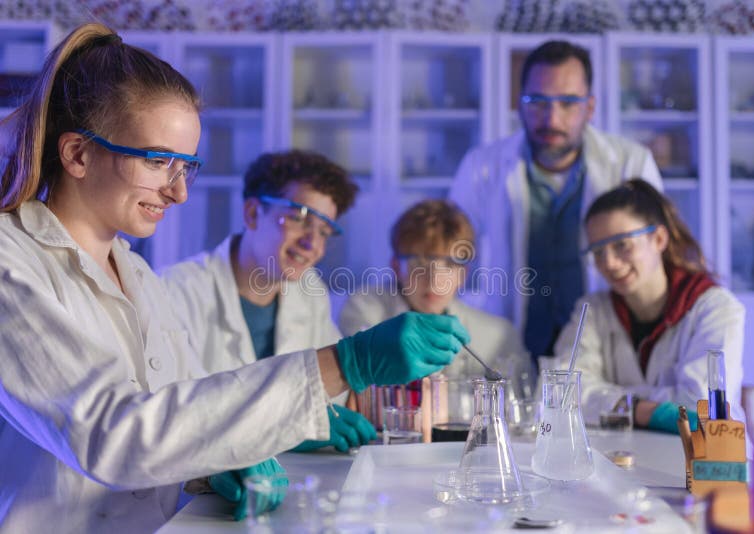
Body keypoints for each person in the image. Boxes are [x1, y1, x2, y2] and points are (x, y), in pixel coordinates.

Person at [0, 23, 469, 533]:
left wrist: (216, 462)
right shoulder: (11, 264)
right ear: (78, 154)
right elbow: (115, 437)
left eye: (187, 167)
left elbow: (180, 420)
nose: (178, 193)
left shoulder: (135, 273)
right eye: (159, 161)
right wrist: (344, 363)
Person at [449, 39, 663, 363]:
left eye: (568, 102)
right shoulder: (482, 168)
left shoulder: (630, 164)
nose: (551, 118)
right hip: (507, 348)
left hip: (605, 351)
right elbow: (451, 260)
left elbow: (653, 265)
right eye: (537, 101)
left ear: (590, 107)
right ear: (518, 104)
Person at [161, 149, 376, 453]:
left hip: (294, 479)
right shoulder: (175, 292)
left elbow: (333, 398)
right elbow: (172, 420)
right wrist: (286, 427)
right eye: (299, 218)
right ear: (251, 213)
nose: (312, 244)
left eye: (324, 231)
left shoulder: (309, 291)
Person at [552, 179, 745, 433]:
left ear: (659, 239)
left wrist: (615, 402)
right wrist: (644, 409)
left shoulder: (716, 308)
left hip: (707, 463)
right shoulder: (593, 310)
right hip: (627, 458)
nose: (609, 263)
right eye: (598, 252)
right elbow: (560, 392)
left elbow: (702, 404)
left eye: (622, 245)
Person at [339, 200, 532, 399]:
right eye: (419, 263)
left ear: (463, 274)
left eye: (449, 265)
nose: (435, 280)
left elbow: (520, 412)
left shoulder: (498, 336)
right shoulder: (365, 312)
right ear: (396, 267)